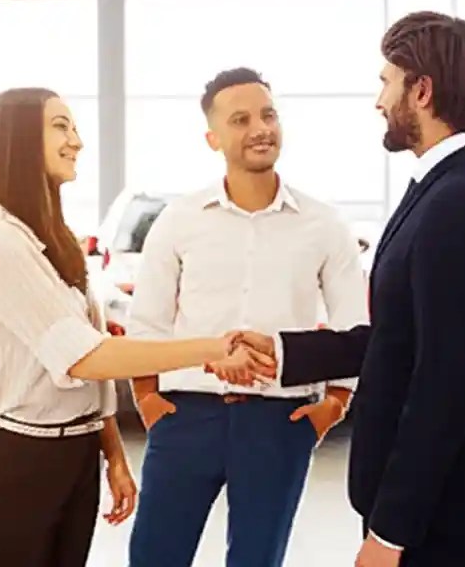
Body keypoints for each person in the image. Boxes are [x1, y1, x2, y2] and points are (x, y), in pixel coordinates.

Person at [218, 12, 465, 567]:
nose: (378, 100)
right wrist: (290, 351)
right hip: (422, 504)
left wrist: (391, 533)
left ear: (422, 90)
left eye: (386, 81)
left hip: (426, 514)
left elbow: (445, 383)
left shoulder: (464, 204)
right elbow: (402, 338)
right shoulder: (448, 189)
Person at [0, 87, 271, 567]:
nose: (76, 140)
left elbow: (88, 362)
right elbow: (86, 356)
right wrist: (212, 349)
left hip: (75, 454)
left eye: (74, 127)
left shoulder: (52, 238)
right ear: (16, 140)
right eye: (60, 126)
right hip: (17, 461)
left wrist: (112, 455)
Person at [125, 68, 370, 567]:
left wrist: (335, 404)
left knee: (259, 560)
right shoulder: (180, 219)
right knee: (154, 557)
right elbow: (147, 322)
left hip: (279, 420)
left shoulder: (323, 224)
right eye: (241, 119)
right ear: (213, 138)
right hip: (186, 416)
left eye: (268, 114)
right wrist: (147, 398)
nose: (260, 128)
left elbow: (355, 326)